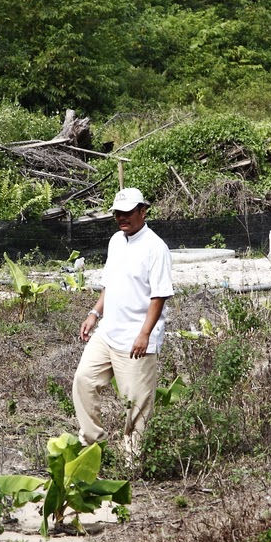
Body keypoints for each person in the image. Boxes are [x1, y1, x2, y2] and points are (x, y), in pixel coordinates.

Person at [73, 187, 175, 457]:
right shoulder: (116, 241)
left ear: (143, 211)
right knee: (83, 379)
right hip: (108, 332)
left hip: (135, 339)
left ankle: (133, 459)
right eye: (117, 213)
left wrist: (144, 334)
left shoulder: (156, 248)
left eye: (128, 212)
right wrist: (94, 314)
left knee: (135, 404)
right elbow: (110, 284)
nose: (122, 218)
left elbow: (159, 295)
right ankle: (92, 445)